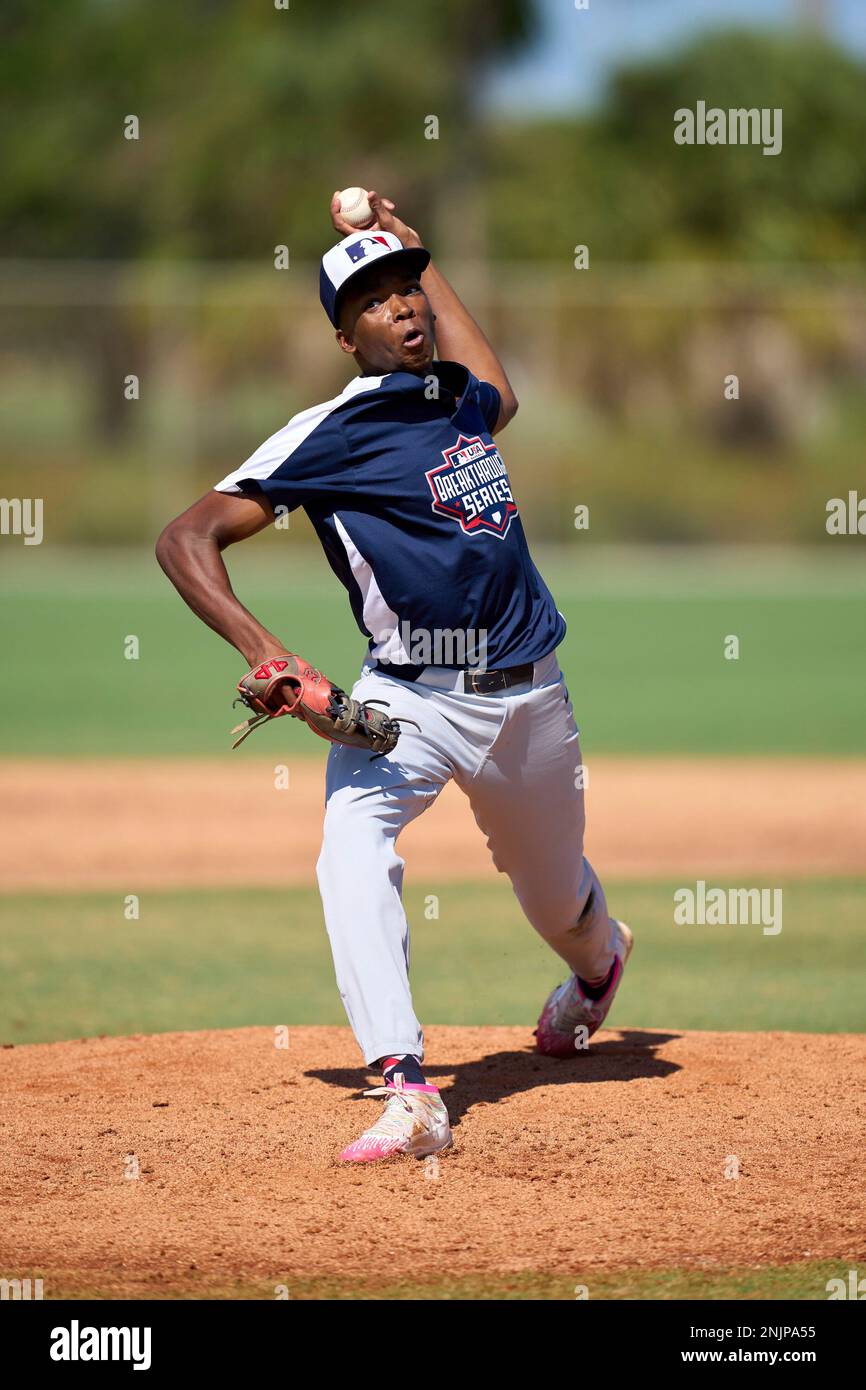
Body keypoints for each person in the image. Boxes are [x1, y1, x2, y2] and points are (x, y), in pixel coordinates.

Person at [155, 190, 632, 1164]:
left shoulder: (457, 397)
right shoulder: (330, 433)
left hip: (529, 694)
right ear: (344, 336)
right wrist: (263, 651)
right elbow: (185, 535)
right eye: (373, 299)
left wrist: (418, 251)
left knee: (556, 906)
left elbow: (499, 381)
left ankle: (598, 966)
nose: (402, 307)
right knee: (347, 844)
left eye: (406, 289)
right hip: (407, 700)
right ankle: (407, 1088)